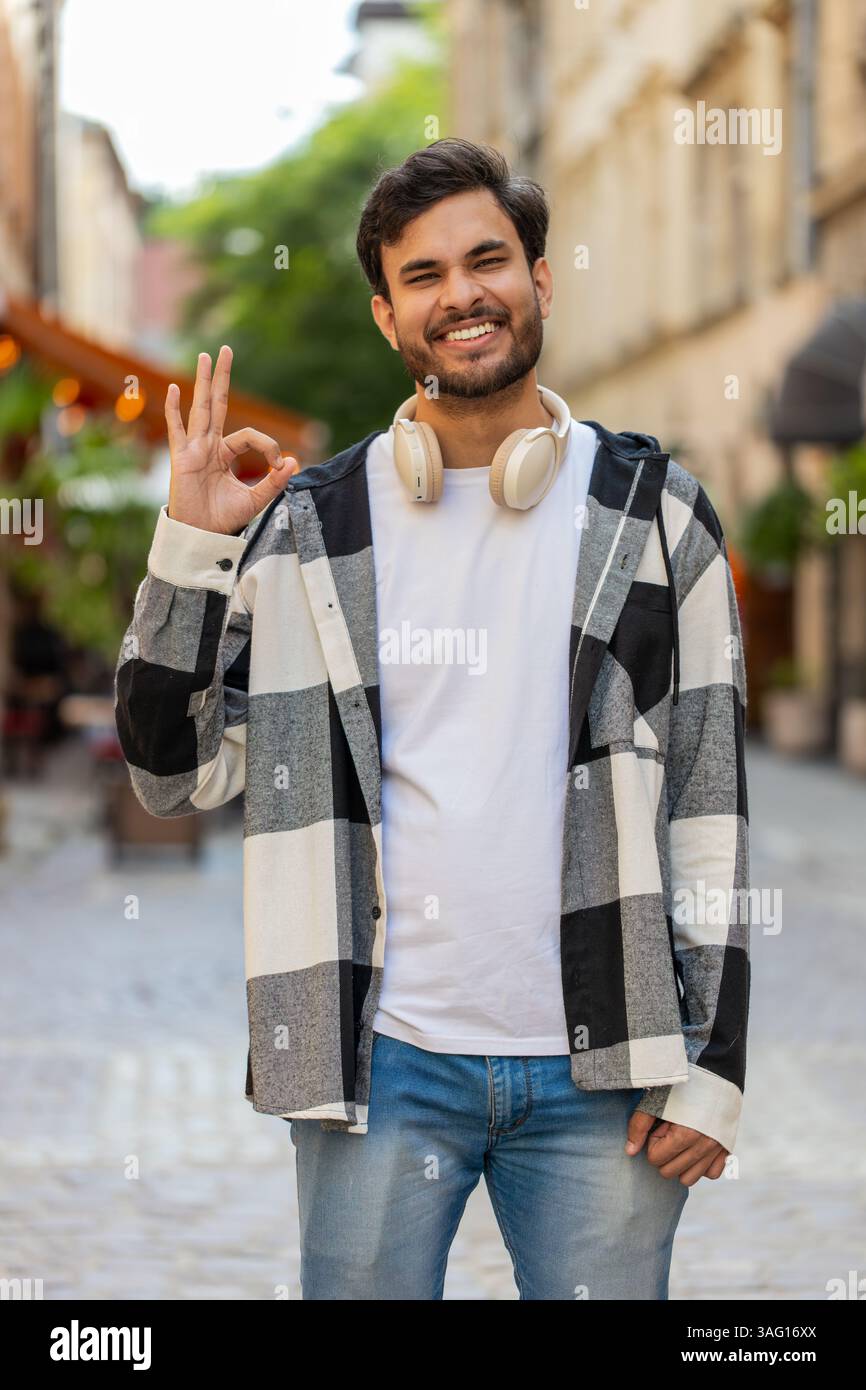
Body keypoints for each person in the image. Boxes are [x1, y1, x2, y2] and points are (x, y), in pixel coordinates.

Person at [115, 138, 750, 1301]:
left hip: (606, 1068)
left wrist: (713, 1064)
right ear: (386, 315)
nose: (461, 292)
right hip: (379, 1059)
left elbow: (707, 792)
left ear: (539, 281)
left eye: (487, 259)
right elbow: (169, 772)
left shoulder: (652, 513)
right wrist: (195, 544)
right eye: (423, 274)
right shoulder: (312, 525)